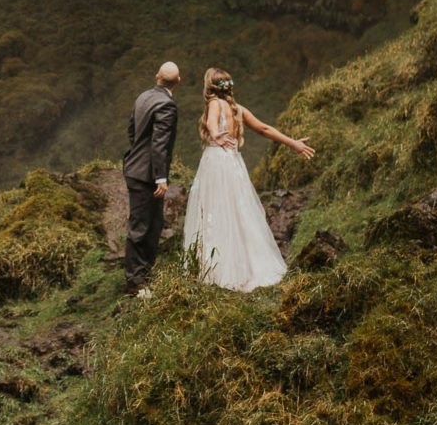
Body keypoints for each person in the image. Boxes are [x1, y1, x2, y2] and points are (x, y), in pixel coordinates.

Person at [181, 67, 315, 291]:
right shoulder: (238, 109)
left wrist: (215, 134)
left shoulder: (214, 104)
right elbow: (264, 128)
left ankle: (218, 269)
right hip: (233, 164)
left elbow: (213, 122)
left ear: (209, 87)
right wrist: (293, 143)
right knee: (239, 213)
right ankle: (246, 265)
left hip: (217, 162)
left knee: (216, 212)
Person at [122, 61, 181, 296]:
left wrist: (138, 156)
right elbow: (160, 143)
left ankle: (144, 272)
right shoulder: (167, 105)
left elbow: (131, 130)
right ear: (178, 81)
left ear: (157, 77)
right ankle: (134, 282)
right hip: (146, 175)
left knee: (152, 223)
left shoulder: (143, 97)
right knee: (141, 225)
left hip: (134, 168)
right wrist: (160, 177)